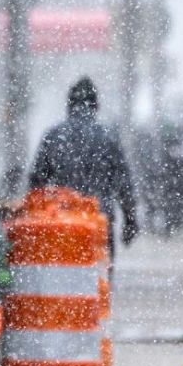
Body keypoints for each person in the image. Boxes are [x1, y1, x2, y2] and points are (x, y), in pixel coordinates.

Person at [29, 77, 139, 256]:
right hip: (99, 222)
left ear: (69, 105)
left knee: (65, 275)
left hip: (63, 223)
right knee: (99, 278)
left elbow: (36, 183)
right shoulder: (108, 137)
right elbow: (123, 184)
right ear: (96, 106)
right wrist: (130, 221)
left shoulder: (53, 136)